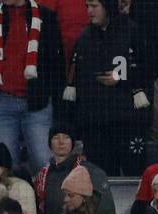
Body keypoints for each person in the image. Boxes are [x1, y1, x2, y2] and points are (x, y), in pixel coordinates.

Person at [64, 0, 151, 175]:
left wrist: (120, 78)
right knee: (101, 179)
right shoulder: (84, 37)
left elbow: (150, 68)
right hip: (95, 124)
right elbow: (79, 80)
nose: (89, 11)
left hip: (128, 122)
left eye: (94, 6)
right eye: (87, 6)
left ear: (108, 6)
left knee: (133, 175)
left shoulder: (133, 31)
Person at [0, 0, 66, 175]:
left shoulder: (46, 17)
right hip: (0, 103)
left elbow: (56, 62)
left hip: (36, 105)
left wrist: (50, 94)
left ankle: (46, 202)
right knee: (4, 168)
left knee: (44, 163)